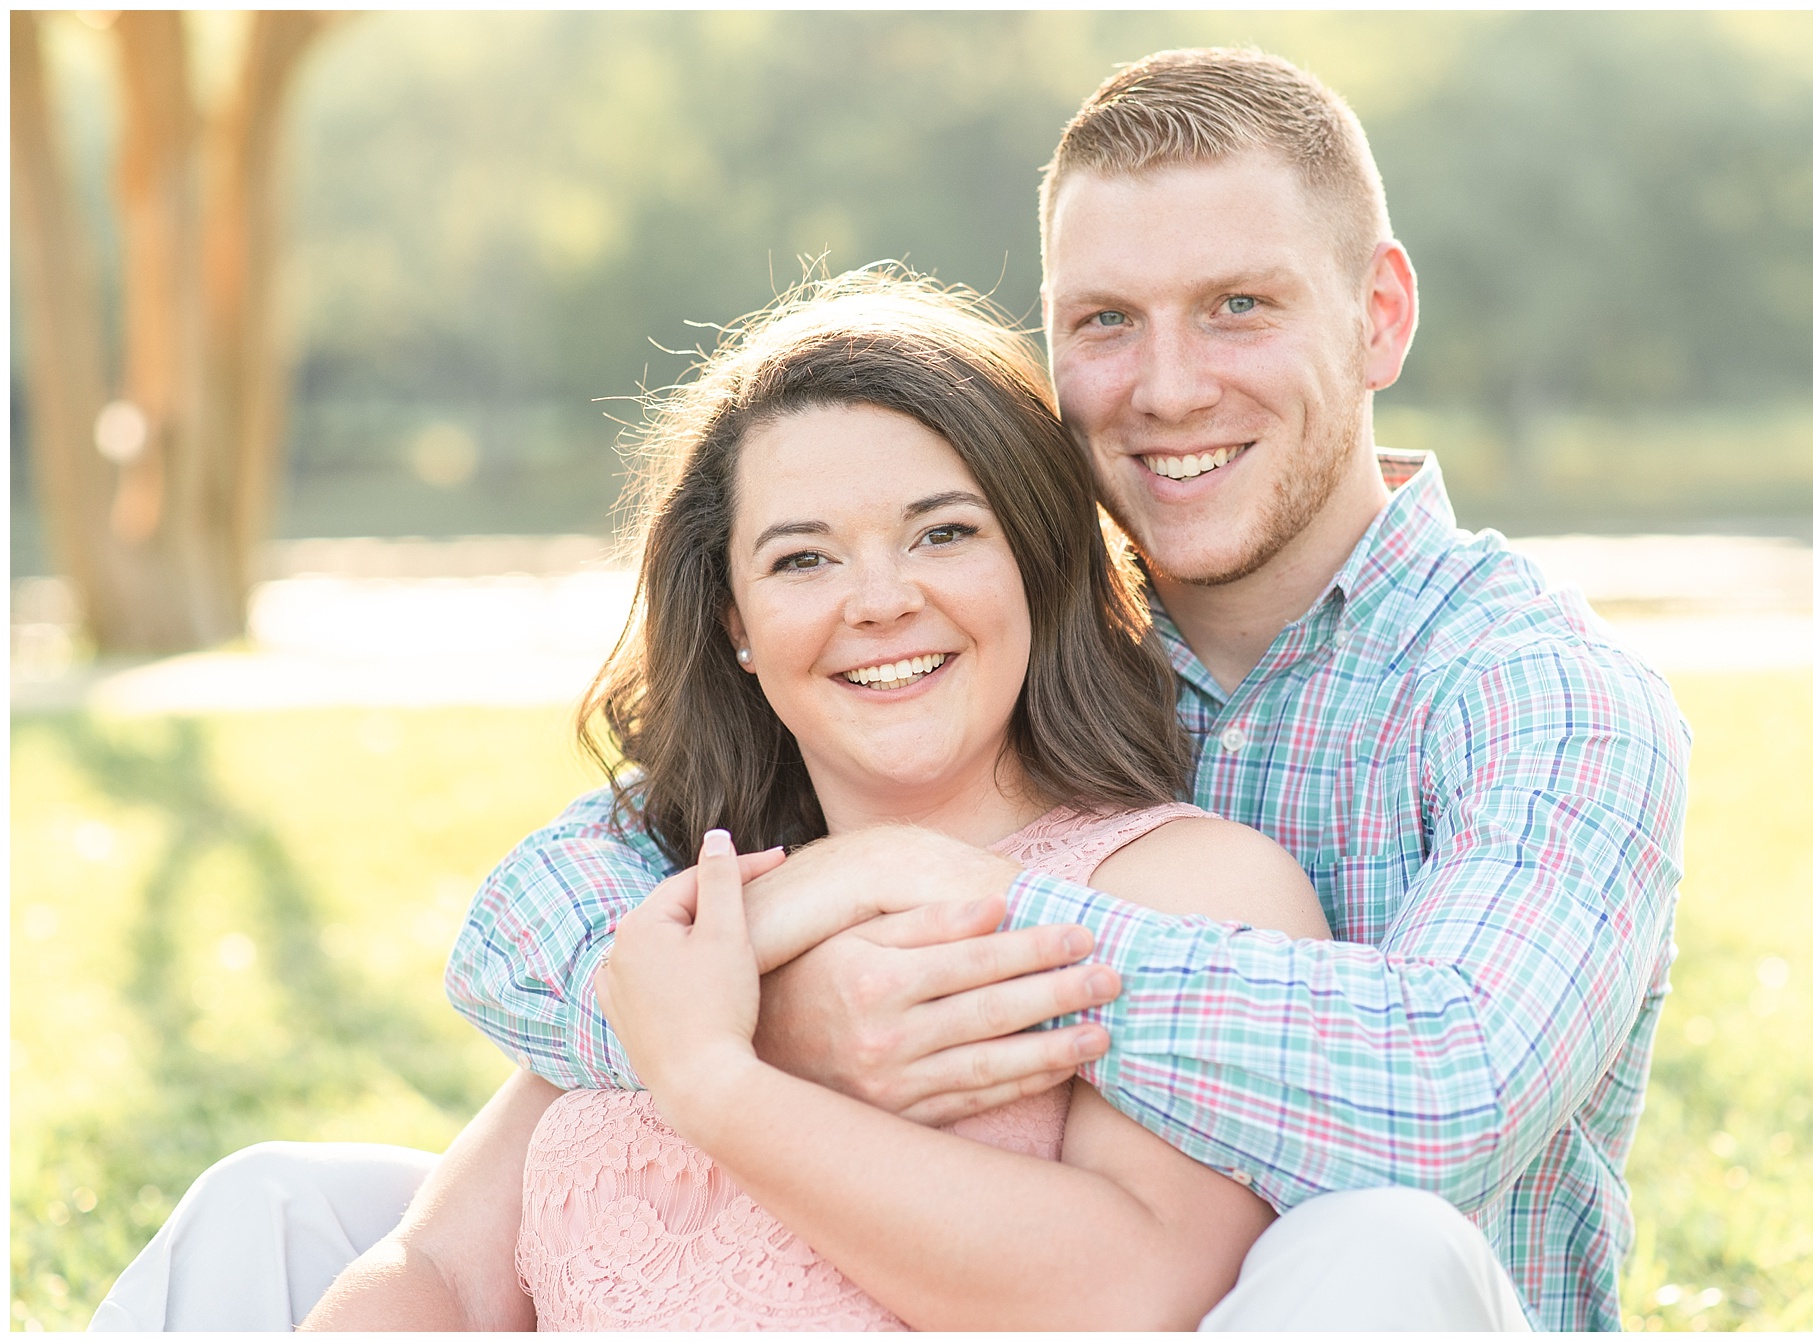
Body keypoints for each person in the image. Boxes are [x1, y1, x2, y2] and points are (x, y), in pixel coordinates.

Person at [93, 46, 1686, 1332]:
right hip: (806, 1237)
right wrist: (782, 996)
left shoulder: (1536, 695)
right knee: (279, 1208)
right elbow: (531, 924)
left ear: (1380, 313)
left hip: (1357, 1306)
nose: (1171, 382)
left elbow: (1451, 1085)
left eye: (1241, 306)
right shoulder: (1013, 650)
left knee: (1378, 1245)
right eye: (1105, 325)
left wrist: (953, 934)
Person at [300, 267, 1354, 1329]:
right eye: (803, 558)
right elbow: (436, 1273)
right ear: (736, 626)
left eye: (943, 533)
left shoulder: (1183, 885)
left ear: (1036, 566)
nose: (882, 601)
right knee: (262, 1198)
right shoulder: (689, 901)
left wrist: (717, 1083)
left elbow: (1134, 1288)